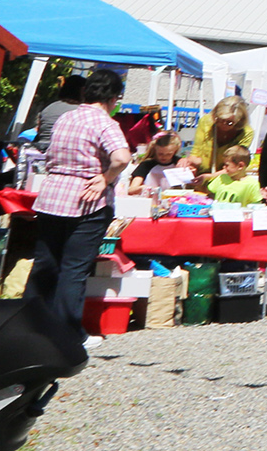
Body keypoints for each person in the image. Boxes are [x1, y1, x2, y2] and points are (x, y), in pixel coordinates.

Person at [24, 68, 134, 339]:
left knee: (45, 266)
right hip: (87, 200)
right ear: (113, 98)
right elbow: (121, 157)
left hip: (52, 196)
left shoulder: (65, 118)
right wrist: (106, 178)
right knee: (73, 270)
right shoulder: (105, 123)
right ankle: (67, 335)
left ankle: (28, 325)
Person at [188, 96, 253, 192]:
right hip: (200, 179)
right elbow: (196, 151)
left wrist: (210, 177)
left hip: (227, 181)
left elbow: (235, 165)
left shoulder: (246, 133)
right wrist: (190, 164)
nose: (223, 124)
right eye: (219, 120)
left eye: (229, 122)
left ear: (239, 121)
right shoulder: (206, 122)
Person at [127, 133, 193, 195]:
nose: (164, 157)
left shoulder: (180, 163)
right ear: (155, 150)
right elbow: (131, 189)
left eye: (168, 154)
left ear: (175, 152)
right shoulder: (146, 165)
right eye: (160, 154)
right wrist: (142, 188)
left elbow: (189, 186)